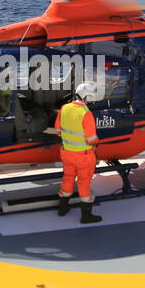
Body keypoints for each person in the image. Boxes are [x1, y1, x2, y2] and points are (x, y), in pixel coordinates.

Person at [55, 82, 102, 223]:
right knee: (84, 183)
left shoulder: (64, 108)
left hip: (67, 153)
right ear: (86, 97)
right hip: (84, 157)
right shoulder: (86, 114)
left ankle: (62, 209)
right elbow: (91, 139)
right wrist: (96, 141)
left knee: (68, 178)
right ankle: (86, 216)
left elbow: (58, 130)